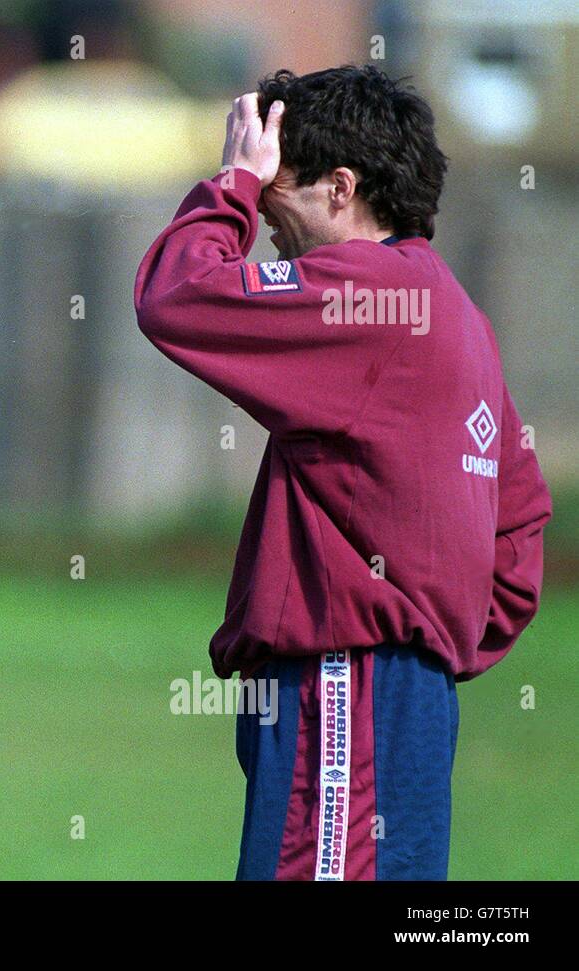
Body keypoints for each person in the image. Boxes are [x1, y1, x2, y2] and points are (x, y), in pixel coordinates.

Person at [134, 66, 550, 880]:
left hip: (342, 687)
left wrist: (227, 187)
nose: (265, 216)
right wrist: (433, 640)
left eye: (273, 189)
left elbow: (177, 297)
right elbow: (520, 528)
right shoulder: (455, 311)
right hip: (408, 709)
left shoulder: (370, 291)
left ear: (339, 188)